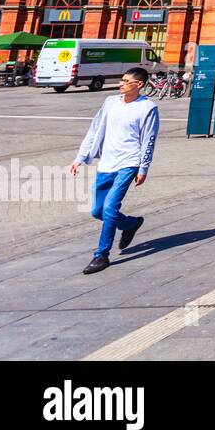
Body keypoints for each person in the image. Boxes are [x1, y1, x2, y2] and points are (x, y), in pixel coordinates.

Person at [69, 67, 160, 274]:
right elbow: (94, 130)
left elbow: (149, 140)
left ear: (138, 85)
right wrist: (80, 158)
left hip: (129, 162)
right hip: (106, 163)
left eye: (126, 81)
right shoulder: (110, 102)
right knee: (97, 211)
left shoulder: (147, 107)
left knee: (110, 208)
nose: (121, 83)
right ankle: (129, 224)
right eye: (121, 80)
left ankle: (101, 255)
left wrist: (143, 167)